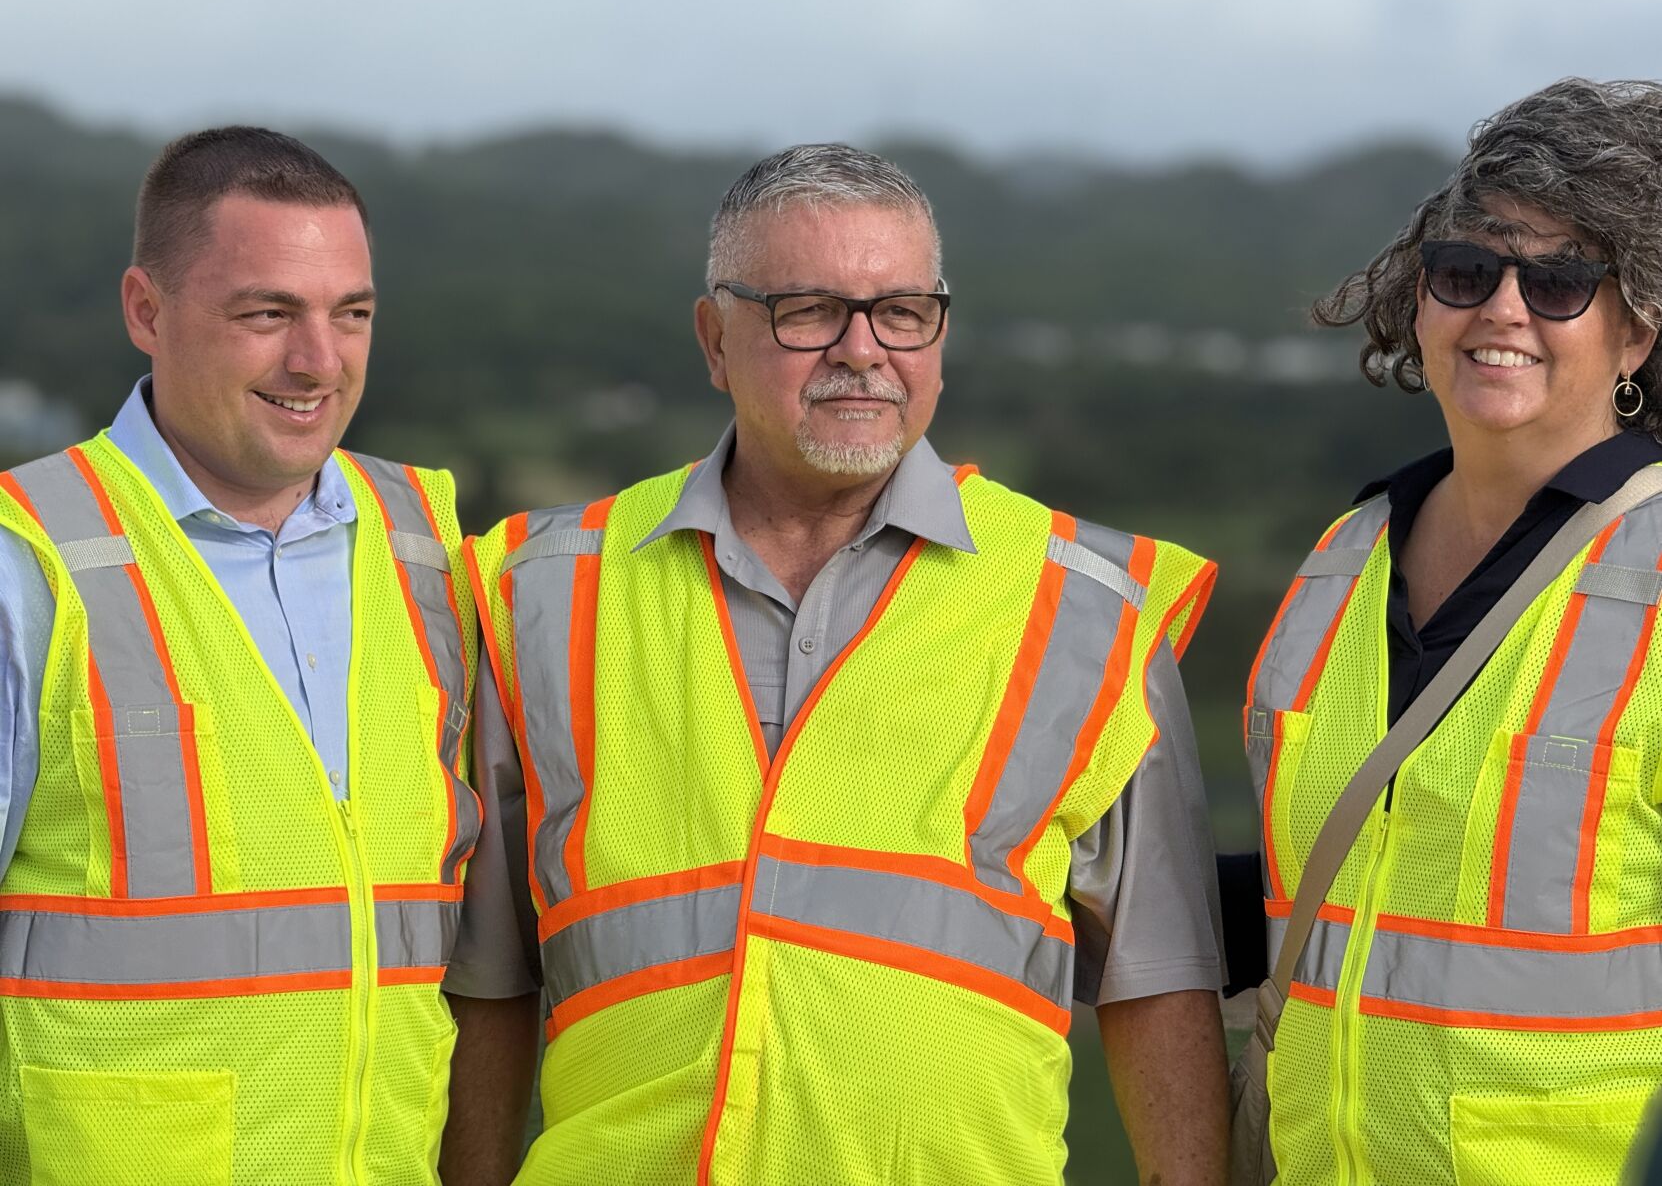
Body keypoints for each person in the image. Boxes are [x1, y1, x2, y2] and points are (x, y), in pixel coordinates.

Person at [440, 143, 1229, 1185]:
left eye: (903, 310)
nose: (863, 350)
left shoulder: (1090, 606)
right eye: (808, 309)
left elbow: (1161, 985)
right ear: (714, 338)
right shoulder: (540, 591)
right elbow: (487, 981)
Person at [0, 128, 479, 1183]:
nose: (318, 359)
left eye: (351, 313)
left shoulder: (432, 551)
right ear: (145, 310)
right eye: (268, 313)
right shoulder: (24, 560)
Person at [1246, 77, 1662, 1184]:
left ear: (1638, 330)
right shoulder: (1339, 564)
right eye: (1468, 270)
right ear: (1420, 301)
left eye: (1562, 279)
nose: (1503, 310)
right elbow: (1324, 888)